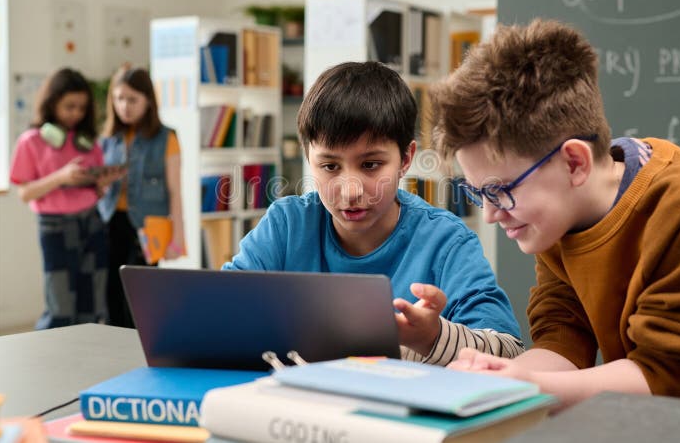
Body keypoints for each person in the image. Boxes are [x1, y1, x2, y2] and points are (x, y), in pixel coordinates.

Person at [430, 18, 680, 407]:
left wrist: (530, 386)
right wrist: (504, 376)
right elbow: (564, 337)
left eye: (500, 191)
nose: (490, 214)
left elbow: (667, 376)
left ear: (574, 162)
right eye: (478, 193)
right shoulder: (561, 217)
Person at [222, 61, 523, 364]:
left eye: (370, 165)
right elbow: (218, 311)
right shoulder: (285, 226)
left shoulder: (447, 241)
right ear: (308, 158)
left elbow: (510, 352)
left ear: (406, 158)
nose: (351, 190)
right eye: (330, 167)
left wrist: (433, 338)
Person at [10, 68, 123, 329]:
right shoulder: (31, 141)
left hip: (91, 224)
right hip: (55, 227)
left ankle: (85, 365)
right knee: (60, 306)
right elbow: (25, 193)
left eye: (82, 108)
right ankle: (51, 364)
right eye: (69, 106)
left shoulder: (87, 141)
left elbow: (93, 190)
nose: (76, 113)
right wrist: (60, 177)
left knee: (92, 305)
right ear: (52, 103)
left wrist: (101, 184)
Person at [98, 65, 186, 328]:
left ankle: (139, 352)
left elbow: (175, 191)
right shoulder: (108, 139)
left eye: (132, 99)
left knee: (140, 298)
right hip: (111, 223)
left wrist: (178, 238)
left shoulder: (166, 138)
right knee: (111, 295)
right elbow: (97, 190)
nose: (124, 106)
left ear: (148, 100)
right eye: (119, 99)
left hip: (148, 227)